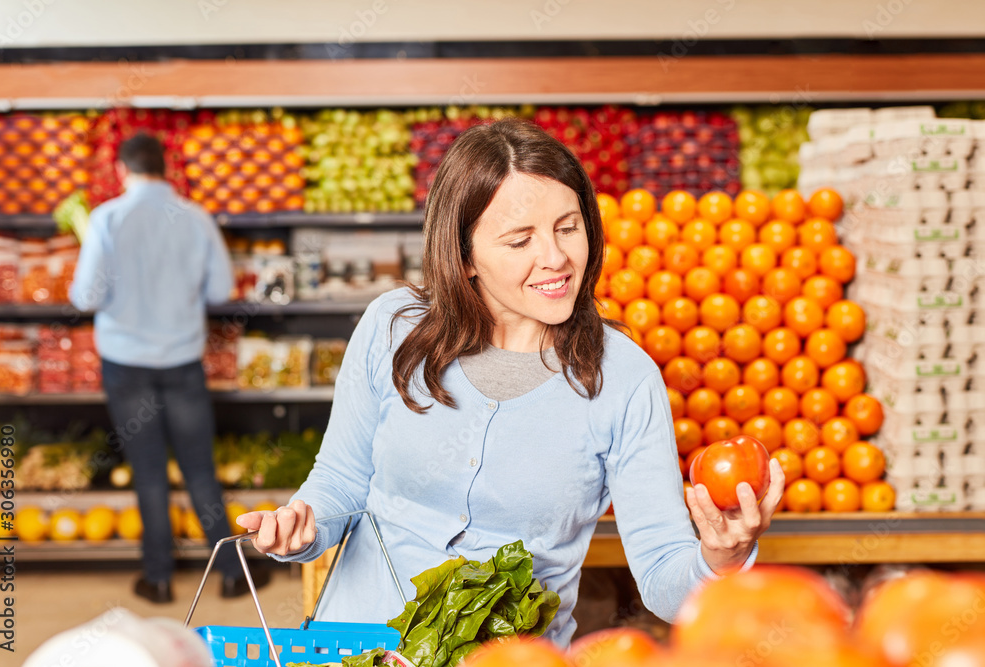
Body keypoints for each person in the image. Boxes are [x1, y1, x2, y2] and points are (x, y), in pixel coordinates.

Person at [237, 119, 784, 644]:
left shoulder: (624, 379)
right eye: (520, 240)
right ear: (464, 255)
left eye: (568, 228)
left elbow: (664, 577)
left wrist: (720, 559)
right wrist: (297, 531)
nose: (555, 258)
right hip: (355, 645)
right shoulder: (392, 326)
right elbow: (341, 481)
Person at [70, 133, 268, 603]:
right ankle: (232, 575)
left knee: (148, 471)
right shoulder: (196, 218)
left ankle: (158, 580)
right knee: (200, 467)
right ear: (167, 169)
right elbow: (221, 288)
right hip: (182, 362)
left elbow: (85, 298)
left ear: (122, 170)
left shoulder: (106, 219)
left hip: (126, 364)